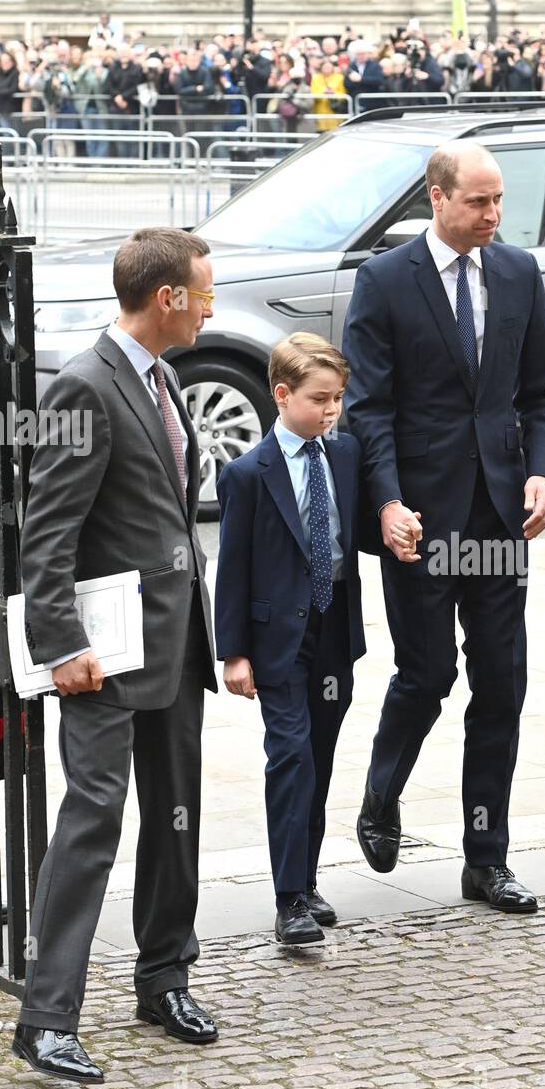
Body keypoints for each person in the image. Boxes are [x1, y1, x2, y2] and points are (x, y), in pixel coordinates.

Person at [11, 228, 219, 1084]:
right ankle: (45, 1018)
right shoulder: (84, 387)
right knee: (91, 826)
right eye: (204, 291)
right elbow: (46, 534)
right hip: (104, 656)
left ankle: (163, 978)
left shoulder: (164, 378)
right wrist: (63, 647)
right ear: (167, 297)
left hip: (175, 642)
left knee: (178, 819)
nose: (211, 303)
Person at [342, 141, 545, 913]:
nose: (494, 215)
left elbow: (542, 394)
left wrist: (541, 470)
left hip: (500, 515)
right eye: (478, 201)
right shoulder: (383, 280)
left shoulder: (516, 272)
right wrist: (386, 502)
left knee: (501, 683)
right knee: (428, 674)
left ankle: (486, 858)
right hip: (422, 519)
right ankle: (381, 792)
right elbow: (366, 409)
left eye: (499, 199)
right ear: (437, 198)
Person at [215, 334, 366, 947]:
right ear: (282, 395)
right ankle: (288, 900)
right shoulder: (248, 473)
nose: (330, 411)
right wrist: (234, 652)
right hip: (277, 640)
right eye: (319, 399)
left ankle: (306, 877)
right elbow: (234, 565)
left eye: (337, 400)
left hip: (334, 631)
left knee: (321, 759)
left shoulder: (346, 455)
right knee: (291, 757)